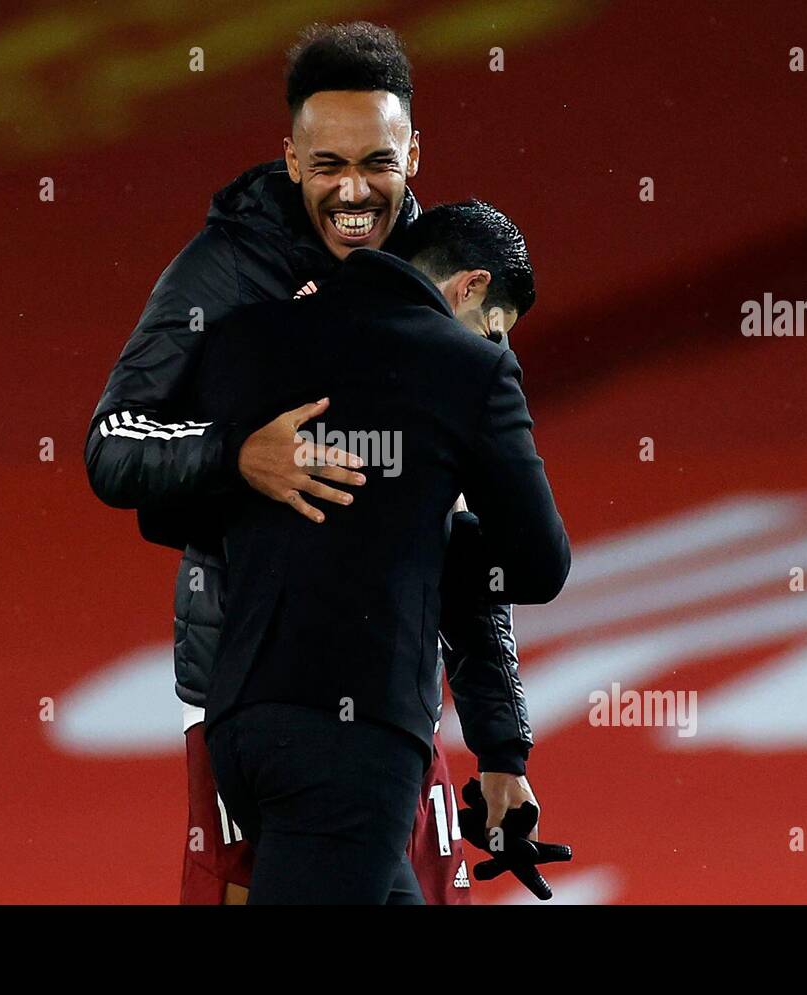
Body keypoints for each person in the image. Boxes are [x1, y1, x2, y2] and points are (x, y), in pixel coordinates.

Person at [86, 22, 536, 905]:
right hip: (251, 689)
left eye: (377, 161)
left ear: (414, 152)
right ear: (289, 160)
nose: (354, 191)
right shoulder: (225, 273)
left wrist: (501, 745)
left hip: (387, 695)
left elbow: (470, 531)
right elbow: (114, 442)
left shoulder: (444, 278)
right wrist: (235, 455)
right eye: (327, 165)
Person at [194, 201, 569, 904]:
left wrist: (500, 749)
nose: (500, 350)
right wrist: (433, 520)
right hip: (352, 738)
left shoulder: (250, 336)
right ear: (468, 286)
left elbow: (166, 502)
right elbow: (538, 564)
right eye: (496, 330)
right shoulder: (466, 371)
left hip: (242, 718)